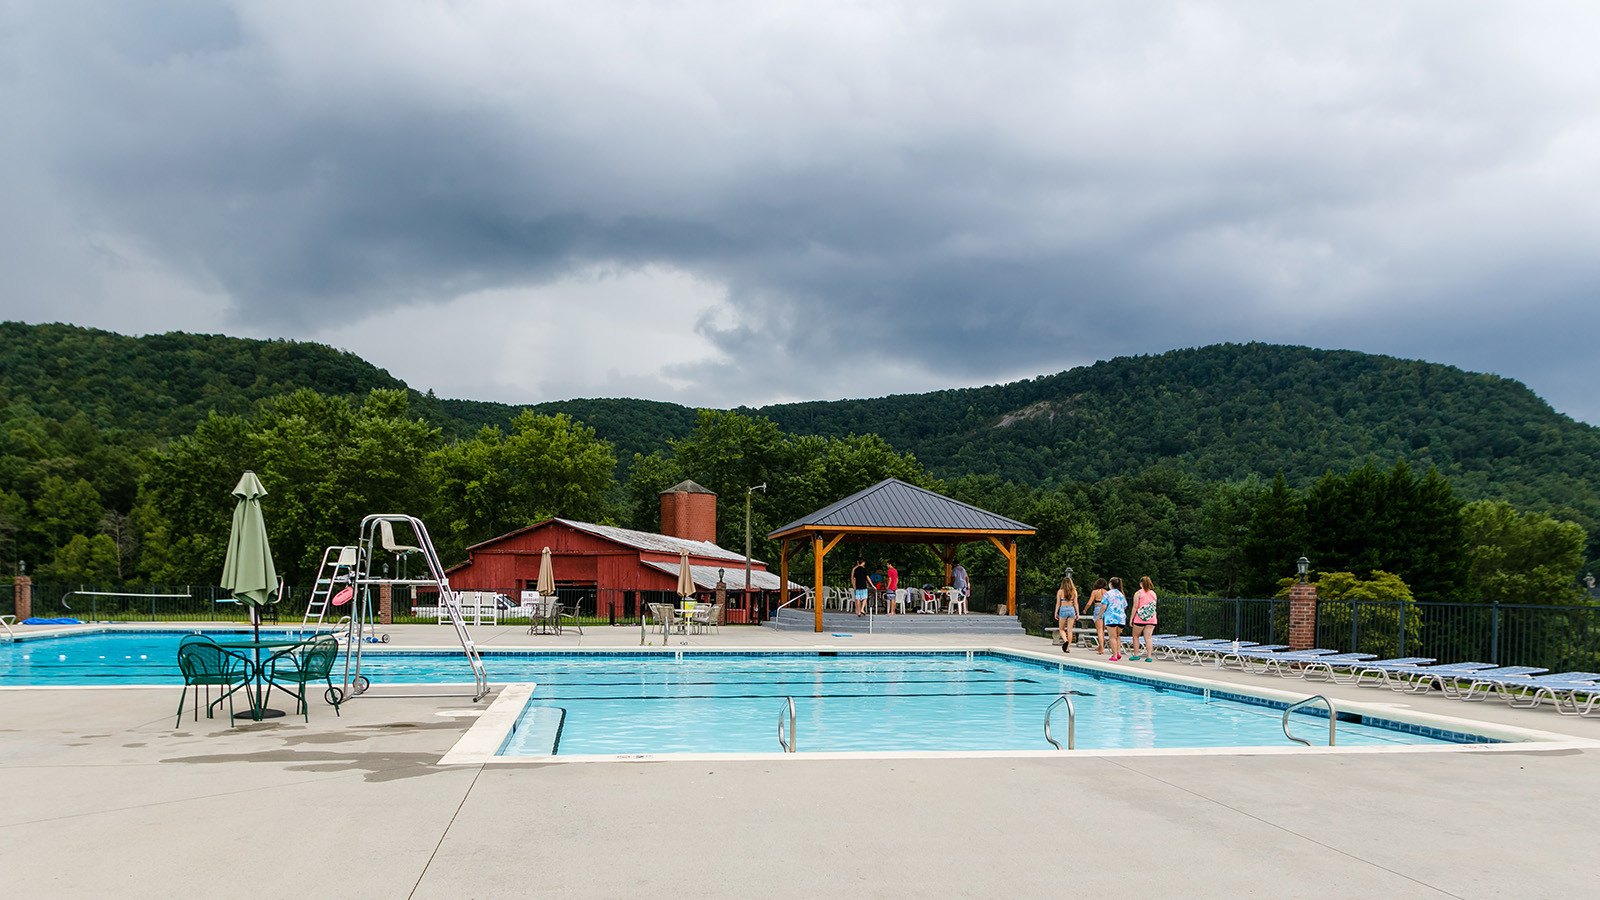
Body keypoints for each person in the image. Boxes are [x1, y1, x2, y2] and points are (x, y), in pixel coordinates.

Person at [1129, 576, 1158, 661]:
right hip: (1151, 619)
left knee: (1135, 636)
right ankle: (1149, 656)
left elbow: (1135, 606)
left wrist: (1131, 618)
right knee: (1148, 638)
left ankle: (1136, 655)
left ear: (1141, 583)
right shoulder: (1153, 594)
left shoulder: (1138, 593)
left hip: (1139, 619)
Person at [1102, 576, 1129, 661]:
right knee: (1117, 636)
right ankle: (1118, 653)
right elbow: (1125, 606)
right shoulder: (1121, 594)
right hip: (1121, 619)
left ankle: (1114, 656)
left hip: (1111, 618)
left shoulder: (1108, 594)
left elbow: (1104, 606)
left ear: (1110, 584)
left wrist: (1099, 615)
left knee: (1112, 637)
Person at [1054, 574, 1079, 654]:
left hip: (1063, 609)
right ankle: (1067, 648)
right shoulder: (1074, 591)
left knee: (1061, 629)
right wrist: (1077, 613)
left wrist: (1056, 612)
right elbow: (1076, 603)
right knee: (1070, 630)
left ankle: (1065, 641)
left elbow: (1058, 603)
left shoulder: (1060, 592)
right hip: (1071, 609)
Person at [1087, 578, 1108, 654]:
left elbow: (1089, 603)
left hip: (1098, 607)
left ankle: (1101, 648)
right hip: (1106, 609)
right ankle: (1100, 645)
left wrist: (1085, 609)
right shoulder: (1107, 592)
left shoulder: (1095, 592)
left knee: (1099, 630)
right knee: (1102, 630)